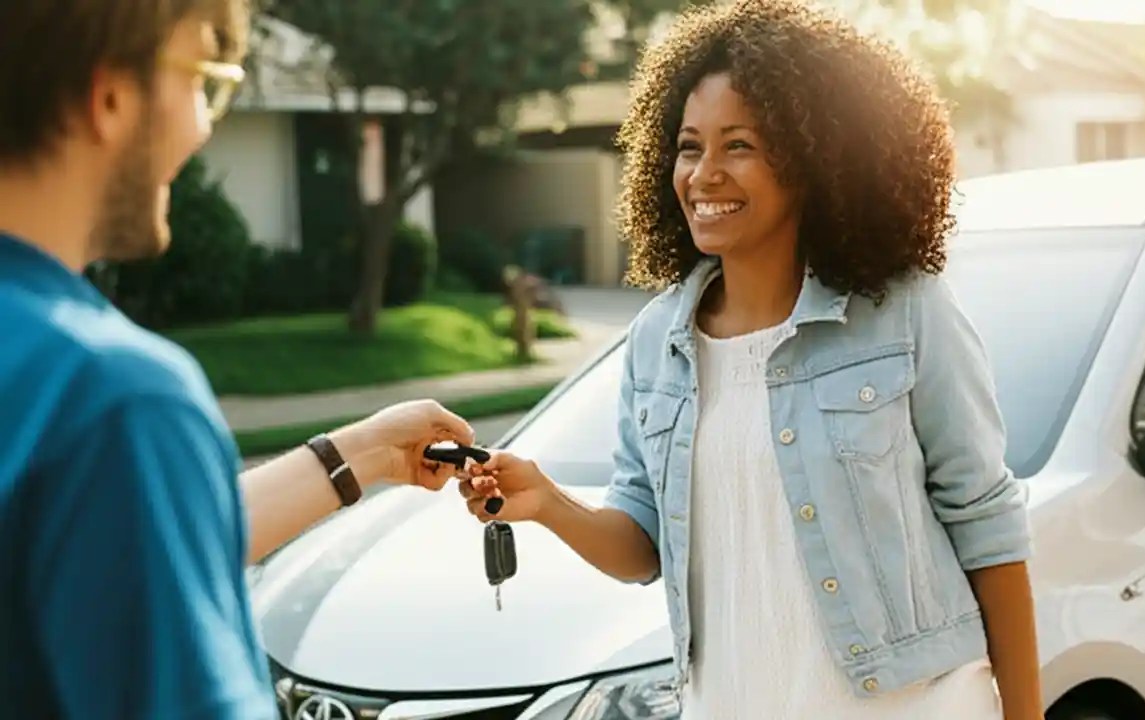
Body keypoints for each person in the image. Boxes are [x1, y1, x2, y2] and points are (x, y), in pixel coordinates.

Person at [459, 0, 1042, 718]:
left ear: (813, 158)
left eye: (740, 145)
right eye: (688, 146)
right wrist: (547, 503)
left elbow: (987, 526)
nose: (704, 175)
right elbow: (642, 548)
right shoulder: (656, 341)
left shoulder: (904, 311)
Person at [0, 1, 473, 717]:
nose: (202, 125)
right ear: (111, 96)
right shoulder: (112, 400)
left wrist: (368, 453)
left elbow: (130, 546)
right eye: (203, 81)